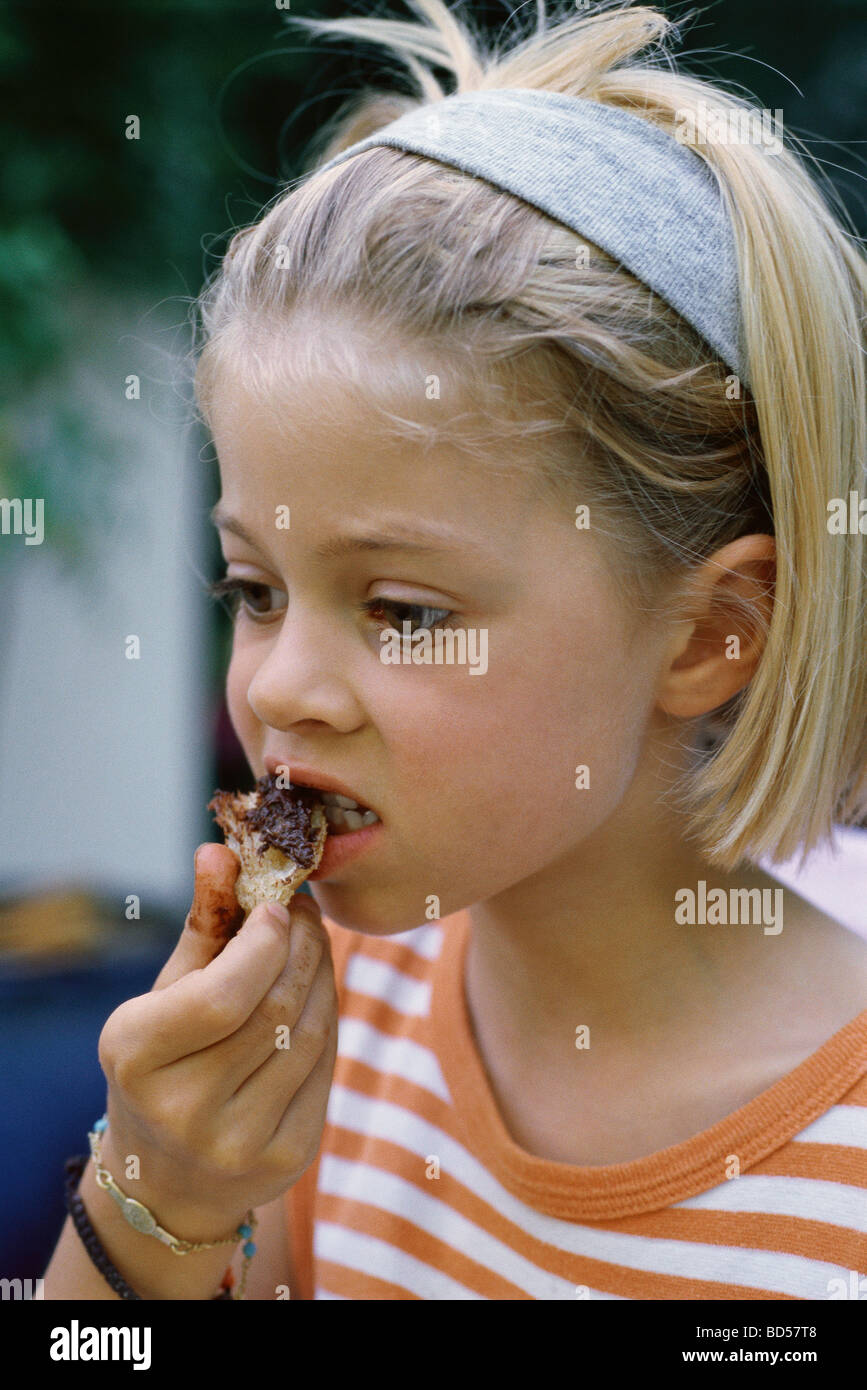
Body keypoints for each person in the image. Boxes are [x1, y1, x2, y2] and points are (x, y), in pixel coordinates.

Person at [44, 0, 867, 1300]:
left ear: (714, 632)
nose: (278, 688)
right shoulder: (323, 1029)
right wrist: (158, 1197)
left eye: (405, 610)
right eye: (254, 587)